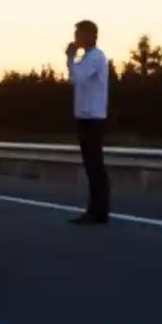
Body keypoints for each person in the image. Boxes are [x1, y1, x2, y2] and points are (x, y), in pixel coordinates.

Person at [66, 20, 110, 225]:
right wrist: (73, 60)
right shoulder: (87, 58)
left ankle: (98, 210)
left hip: (92, 117)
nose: (76, 38)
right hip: (85, 116)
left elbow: (78, 77)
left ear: (89, 35)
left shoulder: (95, 57)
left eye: (78, 33)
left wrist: (70, 58)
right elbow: (74, 78)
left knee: (95, 165)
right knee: (92, 165)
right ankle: (97, 209)